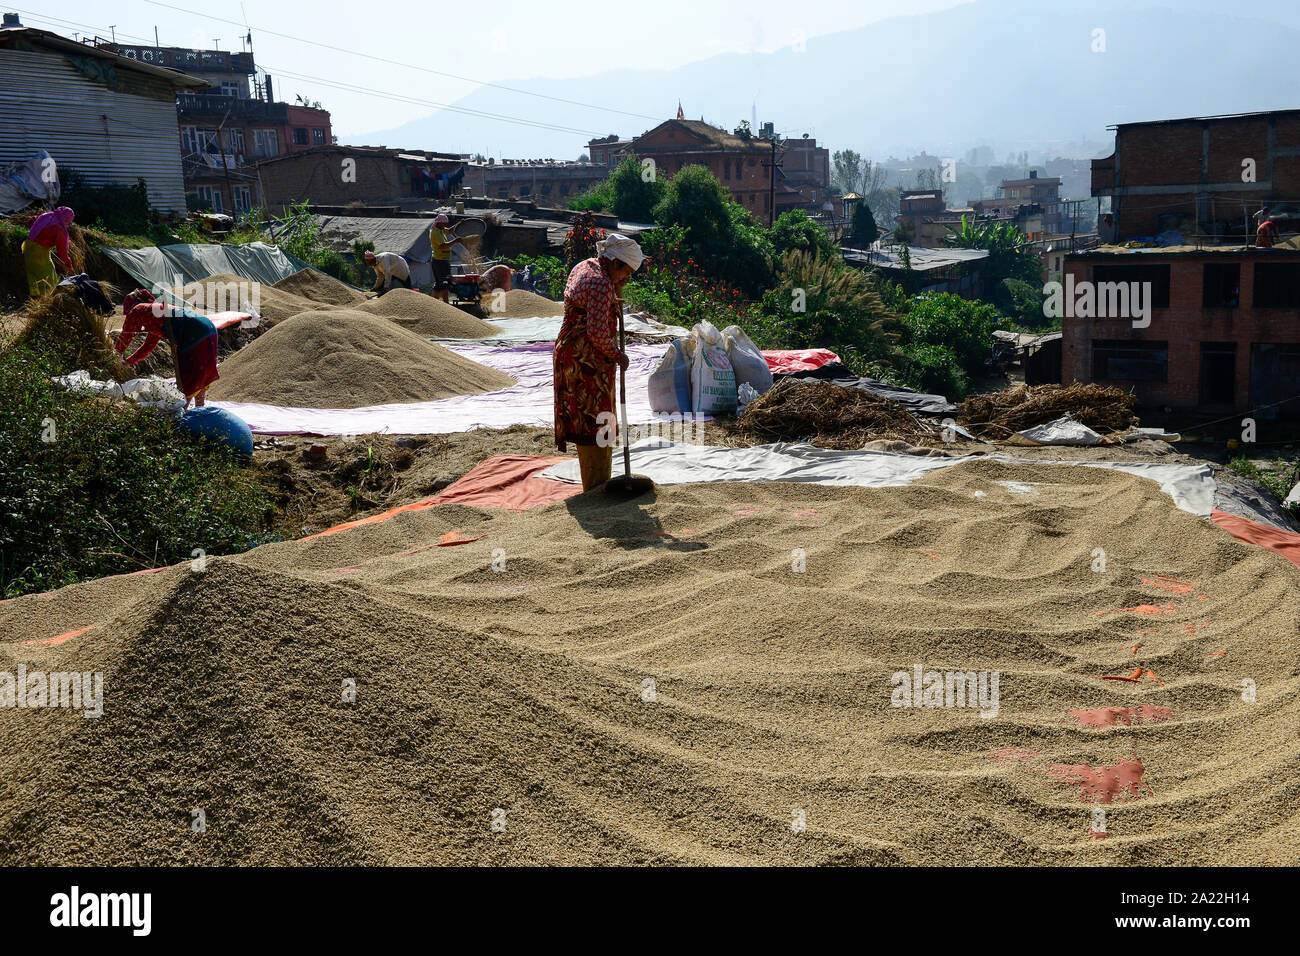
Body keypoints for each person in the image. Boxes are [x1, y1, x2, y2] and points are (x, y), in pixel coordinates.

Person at [553, 233, 644, 490]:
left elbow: (589, 303)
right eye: (625, 273)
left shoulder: (586, 266)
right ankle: (595, 486)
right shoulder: (602, 284)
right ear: (615, 263)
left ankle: (597, 481)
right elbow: (596, 333)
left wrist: (612, 299)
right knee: (594, 419)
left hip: (571, 353)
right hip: (585, 360)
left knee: (594, 418)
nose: (625, 280)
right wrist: (618, 355)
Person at [114, 290, 220, 408]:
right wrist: (128, 362)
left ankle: (183, 409)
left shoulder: (136, 310)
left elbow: (125, 336)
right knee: (202, 371)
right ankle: (199, 407)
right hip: (208, 327)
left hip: (192, 331)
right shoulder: (155, 312)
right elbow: (148, 346)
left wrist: (115, 357)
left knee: (189, 372)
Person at [24, 206, 74, 297]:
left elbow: (30, 222)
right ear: (65, 218)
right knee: (49, 274)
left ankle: (35, 297)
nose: (67, 224)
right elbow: (62, 251)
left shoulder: (46, 216)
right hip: (39, 252)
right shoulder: (59, 229)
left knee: (33, 273)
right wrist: (68, 263)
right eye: (68, 221)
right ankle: (47, 299)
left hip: (27, 246)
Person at [428, 214, 462, 302]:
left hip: (443, 260)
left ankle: (440, 303)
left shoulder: (441, 229)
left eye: (445, 224)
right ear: (438, 223)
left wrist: (459, 224)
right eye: (443, 223)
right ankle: (443, 303)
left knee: (442, 284)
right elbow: (443, 246)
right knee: (442, 283)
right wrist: (455, 241)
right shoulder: (435, 233)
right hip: (439, 261)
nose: (445, 225)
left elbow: (450, 231)